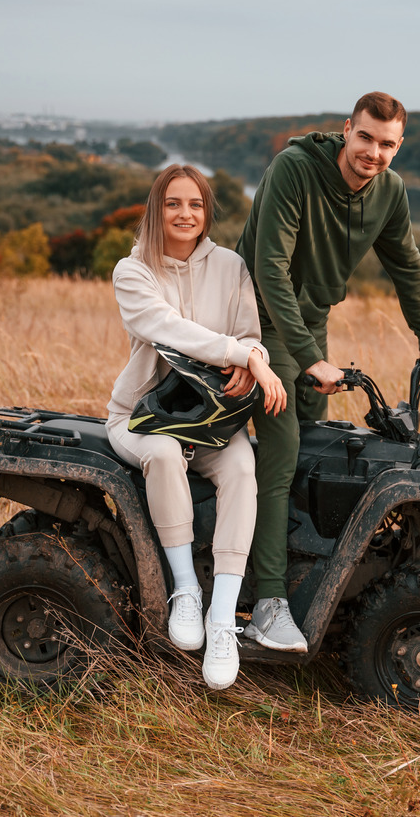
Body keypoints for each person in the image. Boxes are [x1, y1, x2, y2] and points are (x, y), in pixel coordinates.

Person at [237, 92, 420, 652]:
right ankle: (267, 603)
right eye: (365, 138)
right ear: (346, 131)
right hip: (257, 320)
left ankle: (306, 570)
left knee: (315, 444)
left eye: (387, 144)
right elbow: (270, 268)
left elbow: (406, 262)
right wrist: (308, 359)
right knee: (283, 450)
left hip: (310, 322)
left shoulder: (389, 191)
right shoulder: (294, 169)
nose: (373, 153)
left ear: (398, 147)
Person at [106, 163, 285, 690]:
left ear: (207, 212)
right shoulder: (132, 270)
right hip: (141, 415)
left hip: (210, 422)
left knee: (243, 471)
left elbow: (250, 334)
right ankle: (185, 590)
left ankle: (223, 617)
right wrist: (244, 355)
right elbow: (166, 328)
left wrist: (250, 355)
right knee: (161, 453)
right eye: (173, 204)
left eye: (196, 204)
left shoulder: (230, 266)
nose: (186, 214)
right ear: (156, 210)